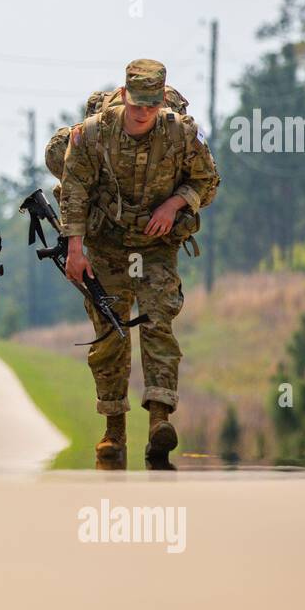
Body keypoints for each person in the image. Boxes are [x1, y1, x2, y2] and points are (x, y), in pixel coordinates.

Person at [59, 59, 220, 469]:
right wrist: (74, 248)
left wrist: (176, 202)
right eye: (136, 105)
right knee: (110, 330)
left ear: (162, 99)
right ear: (125, 96)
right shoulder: (94, 134)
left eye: (151, 105)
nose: (143, 113)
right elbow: (74, 188)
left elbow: (208, 181)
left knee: (157, 321)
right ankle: (113, 429)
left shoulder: (183, 134)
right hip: (107, 242)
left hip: (156, 243)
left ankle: (160, 422)